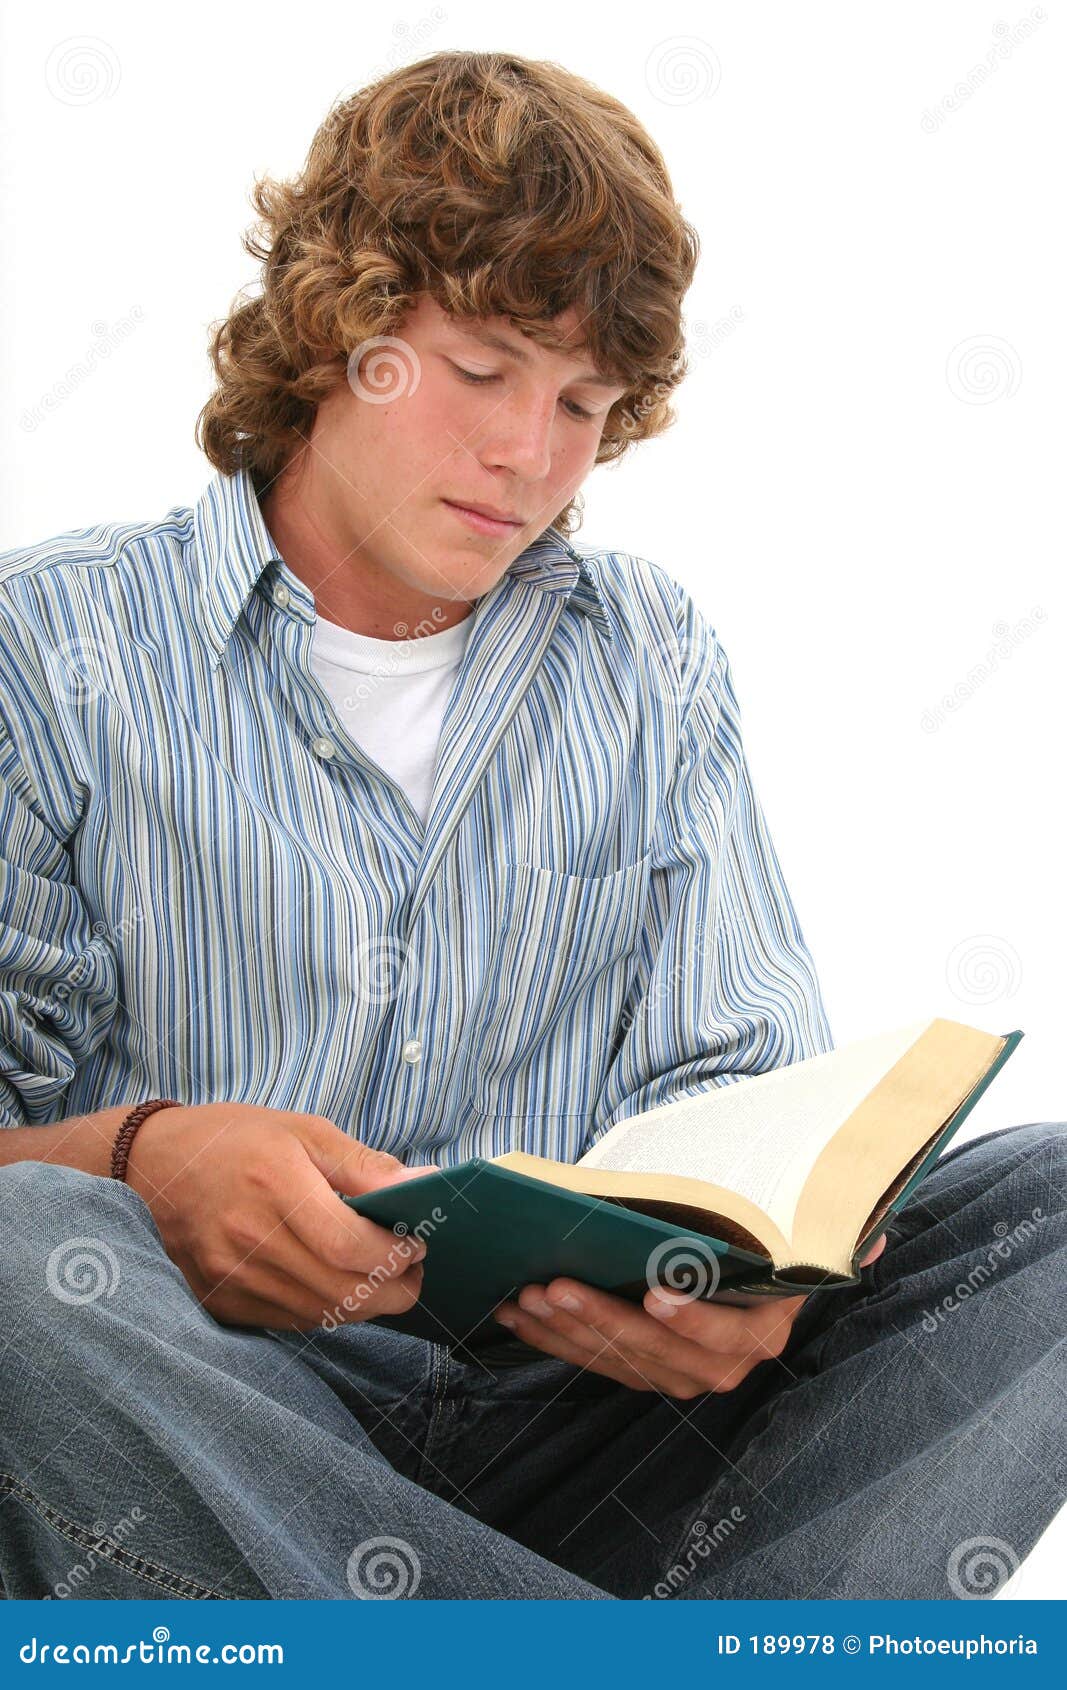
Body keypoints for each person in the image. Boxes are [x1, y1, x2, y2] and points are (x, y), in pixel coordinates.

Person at [0, 50, 1062, 1603]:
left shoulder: (647, 650)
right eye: (488, 370)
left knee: (1043, 1206)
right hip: (206, 1417)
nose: (534, 456)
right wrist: (146, 1159)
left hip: (588, 1425)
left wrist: (746, 1282)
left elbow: (745, 1103)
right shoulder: (51, 645)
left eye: (586, 404)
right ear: (335, 331)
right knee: (28, 1257)